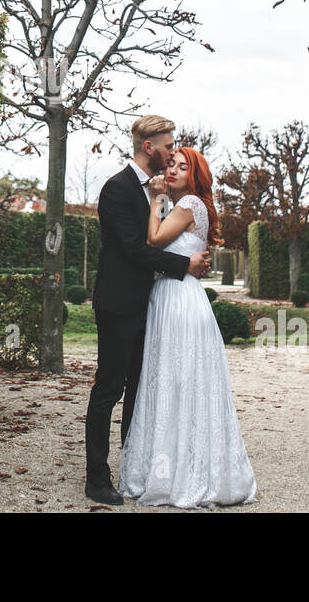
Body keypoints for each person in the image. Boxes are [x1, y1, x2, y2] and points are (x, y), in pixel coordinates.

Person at [117, 145, 257, 507]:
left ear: (194, 175)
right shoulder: (183, 207)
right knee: (173, 380)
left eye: (184, 166)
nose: (176, 170)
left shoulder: (189, 205)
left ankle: (184, 474)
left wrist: (153, 200)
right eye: (172, 165)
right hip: (173, 295)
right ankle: (174, 469)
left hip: (178, 300)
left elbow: (154, 241)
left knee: (178, 379)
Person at [84, 115, 210, 506]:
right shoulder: (117, 189)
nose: (173, 151)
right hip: (119, 303)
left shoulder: (163, 193)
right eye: (168, 146)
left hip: (152, 307)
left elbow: (172, 236)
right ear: (148, 147)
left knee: (141, 390)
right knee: (109, 388)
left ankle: (132, 469)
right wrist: (183, 267)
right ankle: (96, 478)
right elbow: (134, 249)